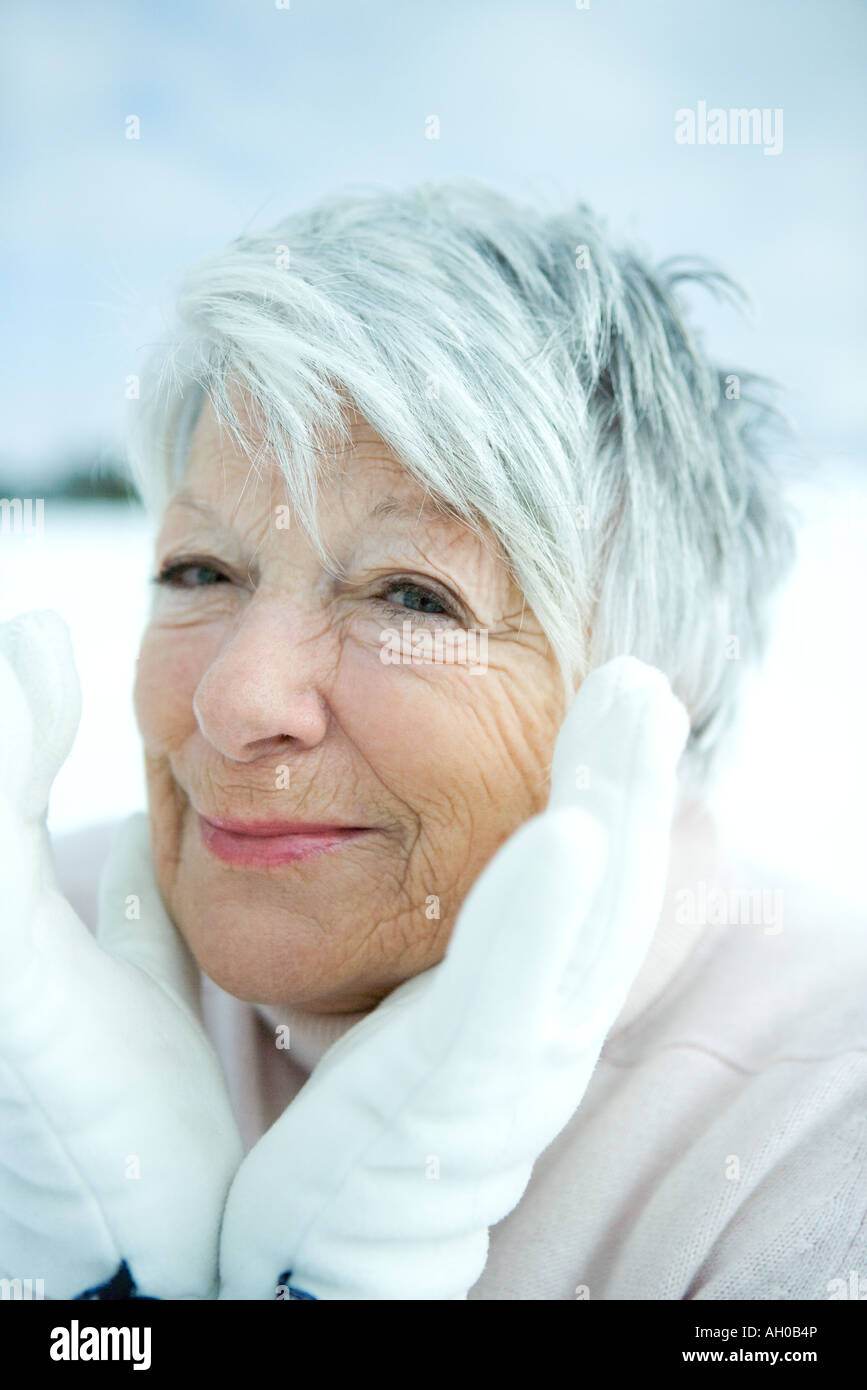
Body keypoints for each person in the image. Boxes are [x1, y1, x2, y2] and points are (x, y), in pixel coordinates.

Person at [2, 179, 864, 1300]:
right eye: (202, 571)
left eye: (411, 598)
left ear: (654, 693)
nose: (234, 699)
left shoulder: (815, 1150)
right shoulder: (34, 958)